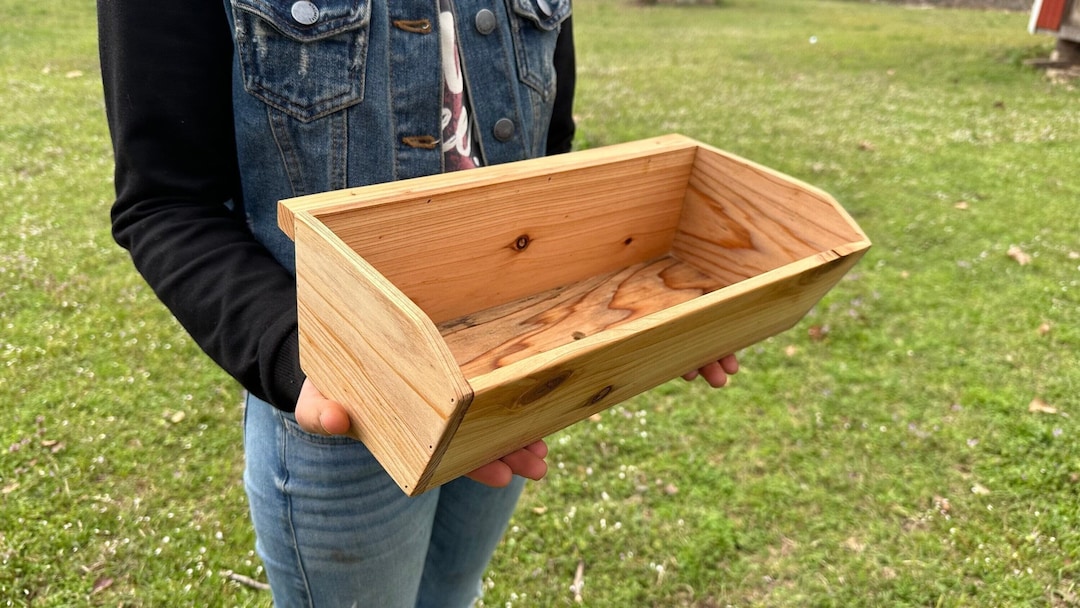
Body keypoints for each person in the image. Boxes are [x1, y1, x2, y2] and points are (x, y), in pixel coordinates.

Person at [96, 0, 738, 605]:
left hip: (513, 385)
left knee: (451, 593)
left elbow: (550, 151)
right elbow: (166, 203)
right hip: (346, 417)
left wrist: (661, 312)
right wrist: (303, 357)